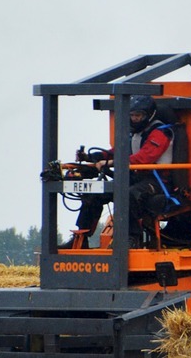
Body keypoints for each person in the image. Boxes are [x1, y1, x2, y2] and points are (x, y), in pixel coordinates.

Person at [63, 95, 175, 248]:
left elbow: (143, 158)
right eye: (132, 115)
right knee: (96, 193)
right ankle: (81, 238)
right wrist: (92, 157)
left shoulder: (161, 133)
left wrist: (109, 163)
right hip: (136, 177)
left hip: (158, 182)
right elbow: (117, 151)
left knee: (130, 194)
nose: (135, 119)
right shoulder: (135, 133)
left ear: (149, 115)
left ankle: (131, 239)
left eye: (138, 116)